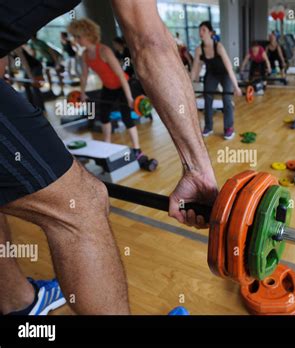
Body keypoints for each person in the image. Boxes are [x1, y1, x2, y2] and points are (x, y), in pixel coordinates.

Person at [0, 0, 217, 315]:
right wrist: (198, 170)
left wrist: (131, 100)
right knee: (82, 205)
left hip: (119, 90)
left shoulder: (103, 51)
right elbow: (150, 41)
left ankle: (17, 304)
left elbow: (148, 45)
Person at [68, 19, 145, 156]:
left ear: (88, 35)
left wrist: (128, 97)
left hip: (123, 85)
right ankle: (107, 145)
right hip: (108, 87)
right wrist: (83, 93)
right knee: (103, 115)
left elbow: (121, 75)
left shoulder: (104, 51)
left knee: (126, 117)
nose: (76, 40)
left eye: (78, 36)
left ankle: (137, 149)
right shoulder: (85, 54)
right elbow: (84, 76)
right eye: (75, 37)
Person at [191, 21, 241, 139]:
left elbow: (229, 67)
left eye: (203, 30)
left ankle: (229, 128)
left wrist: (236, 87)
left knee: (226, 98)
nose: (200, 32)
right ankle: (208, 126)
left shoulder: (219, 47)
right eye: (200, 30)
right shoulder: (199, 49)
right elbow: (194, 70)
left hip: (224, 74)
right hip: (211, 74)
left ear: (210, 32)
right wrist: (188, 86)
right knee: (207, 98)